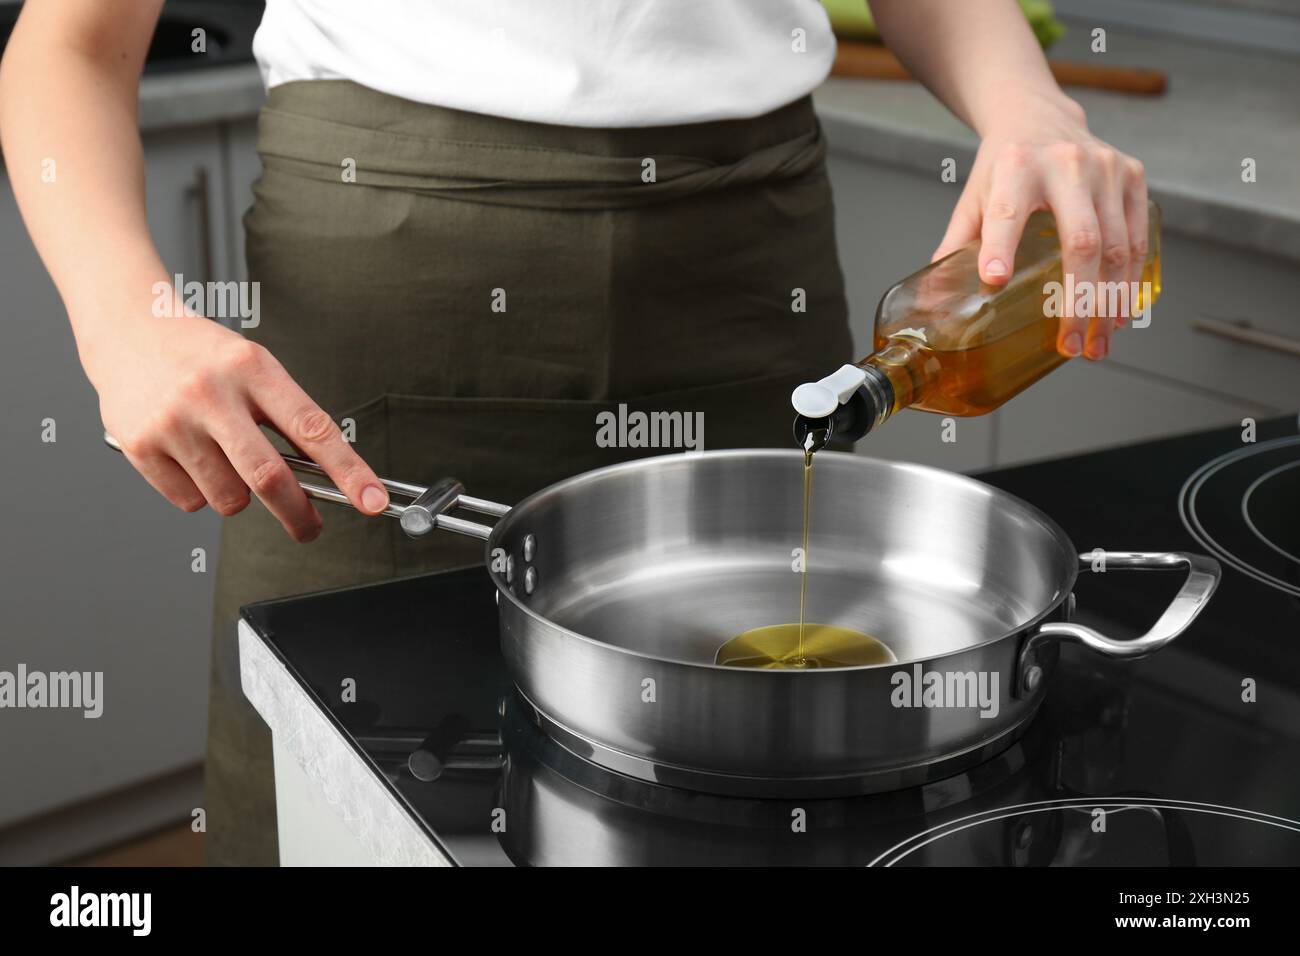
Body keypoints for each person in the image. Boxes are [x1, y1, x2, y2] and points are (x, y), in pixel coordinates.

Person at [0, 0, 1149, 865]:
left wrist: (1028, 104)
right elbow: (69, 42)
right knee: (334, 795)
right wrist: (121, 321)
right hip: (381, 291)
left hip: (745, 266)